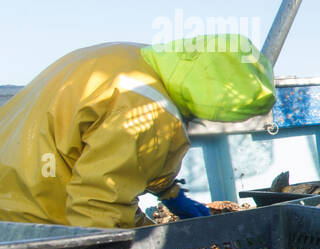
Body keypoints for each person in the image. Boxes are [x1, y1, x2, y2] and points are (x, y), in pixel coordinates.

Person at [0, 35, 275, 229]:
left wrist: (169, 192)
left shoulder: (124, 57)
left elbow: (110, 147)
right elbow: (98, 212)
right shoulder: (151, 110)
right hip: (40, 221)